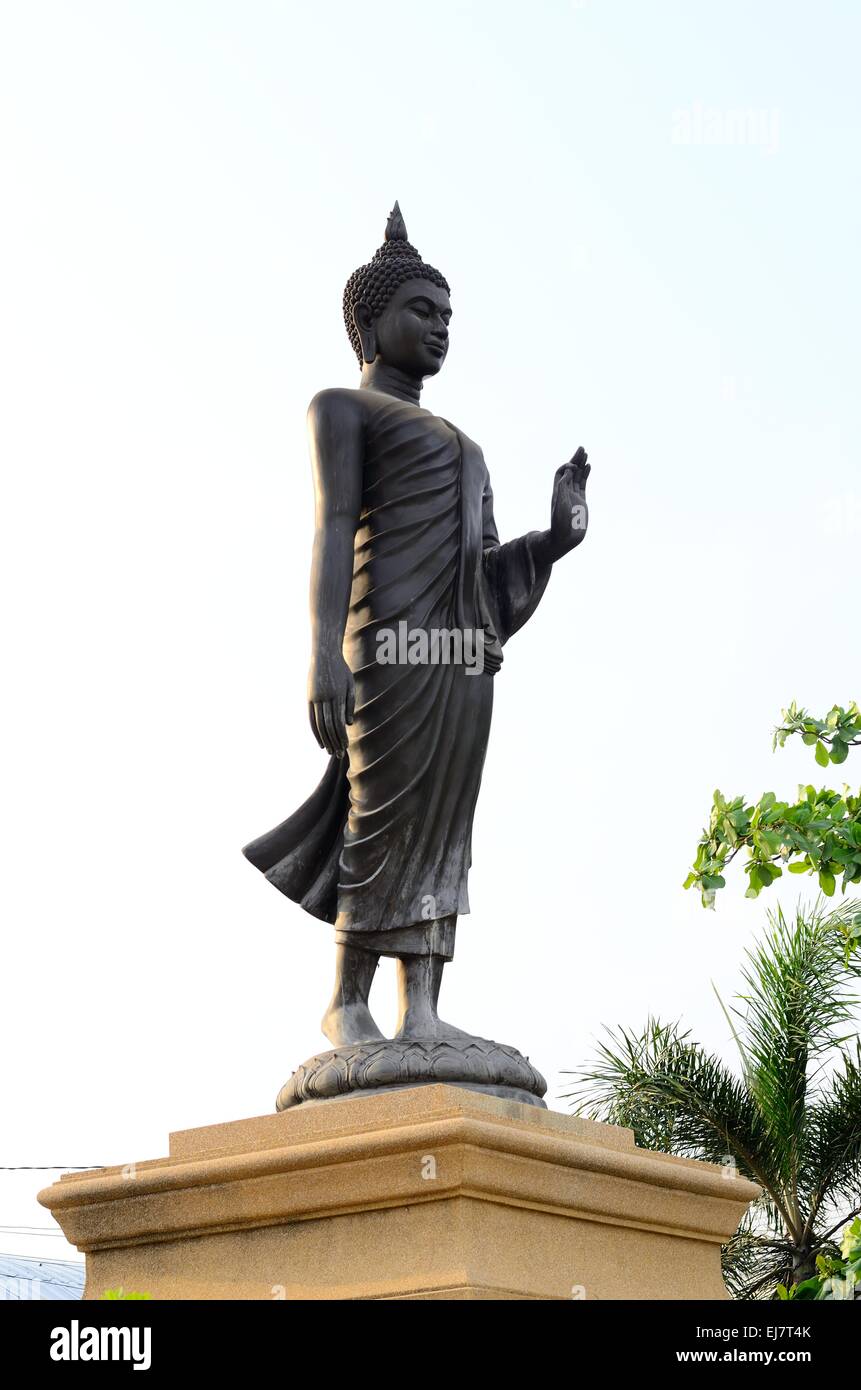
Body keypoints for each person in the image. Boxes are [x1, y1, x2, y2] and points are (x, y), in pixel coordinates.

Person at [243, 204, 591, 1047]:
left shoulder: (468, 446)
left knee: (442, 823)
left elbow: (485, 568)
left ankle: (423, 1012)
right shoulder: (341, 409)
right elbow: (331, 528)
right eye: (419, 312)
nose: (438, 329)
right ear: (368, 322)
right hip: (387, 642)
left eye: (446, 317)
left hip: (461, 656)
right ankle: (347, 1000)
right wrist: (323, 653)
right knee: (381, 810)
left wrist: (554, 538)